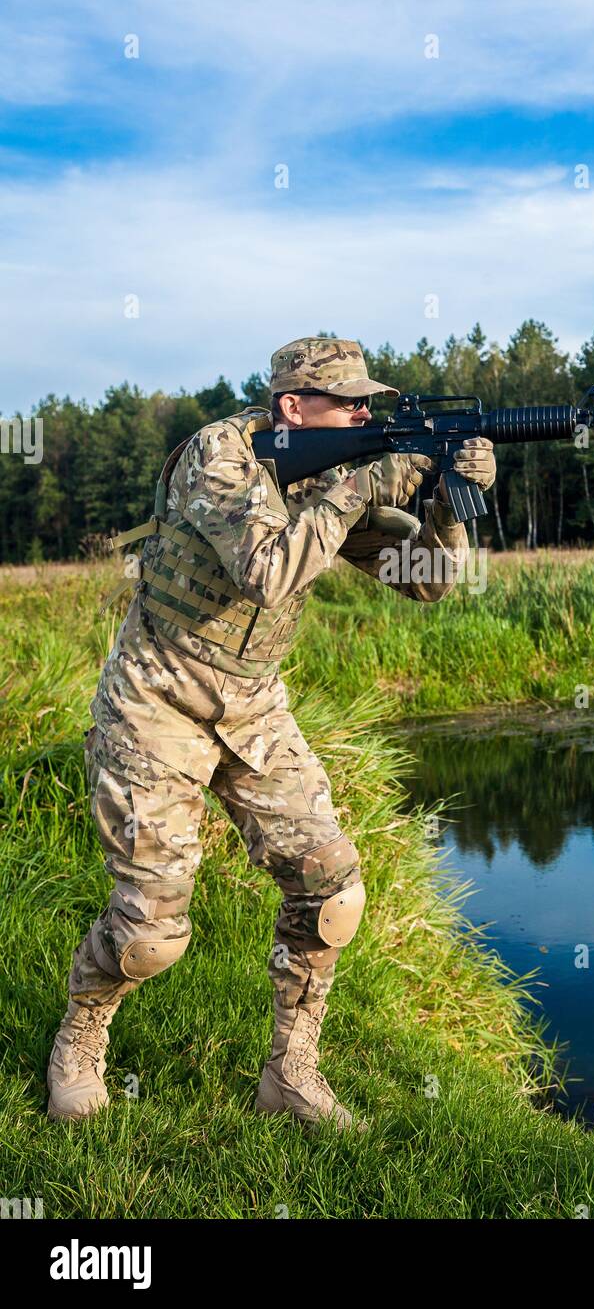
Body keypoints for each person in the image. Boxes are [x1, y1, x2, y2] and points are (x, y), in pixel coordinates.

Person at [46, 337, 496, 1129]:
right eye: (351, 402)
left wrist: (445, 504)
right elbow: (269, 569)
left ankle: (291, 1073)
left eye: (371, 403)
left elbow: (423, 582)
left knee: (332, 889)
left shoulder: (327, 474)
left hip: (252, 704)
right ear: (294, 407)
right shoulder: (219, 458)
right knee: (151, 931)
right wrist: (357, 487)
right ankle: (79, 1043)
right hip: (158, 702)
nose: (366, 413)